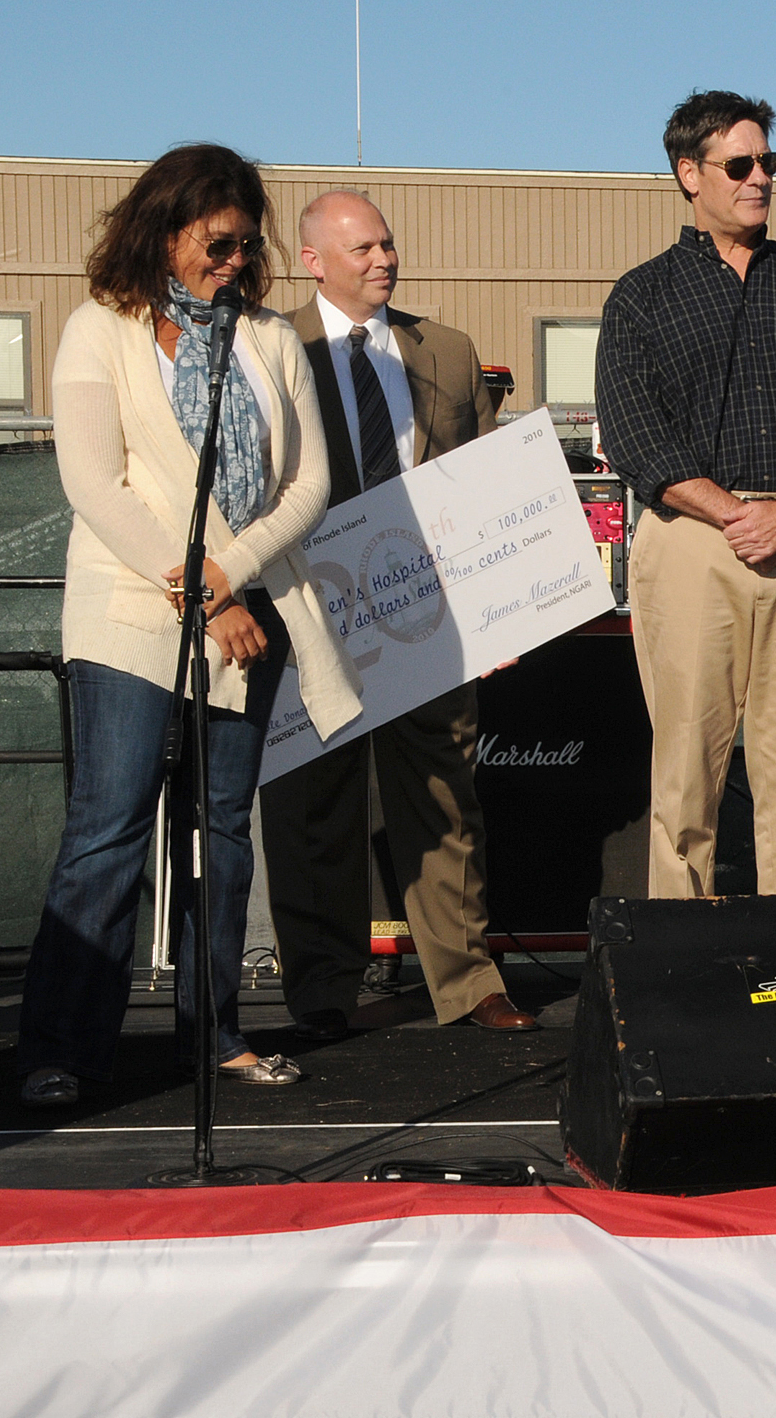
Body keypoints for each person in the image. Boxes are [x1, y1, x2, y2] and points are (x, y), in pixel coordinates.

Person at [17, 144, 362, 1107]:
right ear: (164, 231)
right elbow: (96, 483)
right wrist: (200, 591)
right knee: (107, 831)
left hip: (247, 612)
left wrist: (234, 581)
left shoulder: (269, 340)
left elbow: (310, 485)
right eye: (218, 242)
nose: (235, 261)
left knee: (220, 832)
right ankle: (63, 1049)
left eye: (249, 246)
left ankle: (210, 1037)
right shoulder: (100, 328)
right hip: (134, 610)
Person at [259, 191, 538, 1037]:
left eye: (387, 244)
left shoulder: (447, 352)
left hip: (430, 619)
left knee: (445, 798)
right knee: (314, 806)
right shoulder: (272, 349)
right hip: (309, 613)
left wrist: (502, 616)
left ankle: (468, 981)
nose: (383, 259)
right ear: (312, 261)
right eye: (362, 249)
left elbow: (487, 487)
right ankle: (321, 989)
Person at [596, 90, 776, 898]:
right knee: (687, 769)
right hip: (691, 541)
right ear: (689, 174)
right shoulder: (642, 295)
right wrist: (733, 513)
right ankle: (683, 967)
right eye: (740, 164)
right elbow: (635, 433)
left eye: (769, 163)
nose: (760, 179)